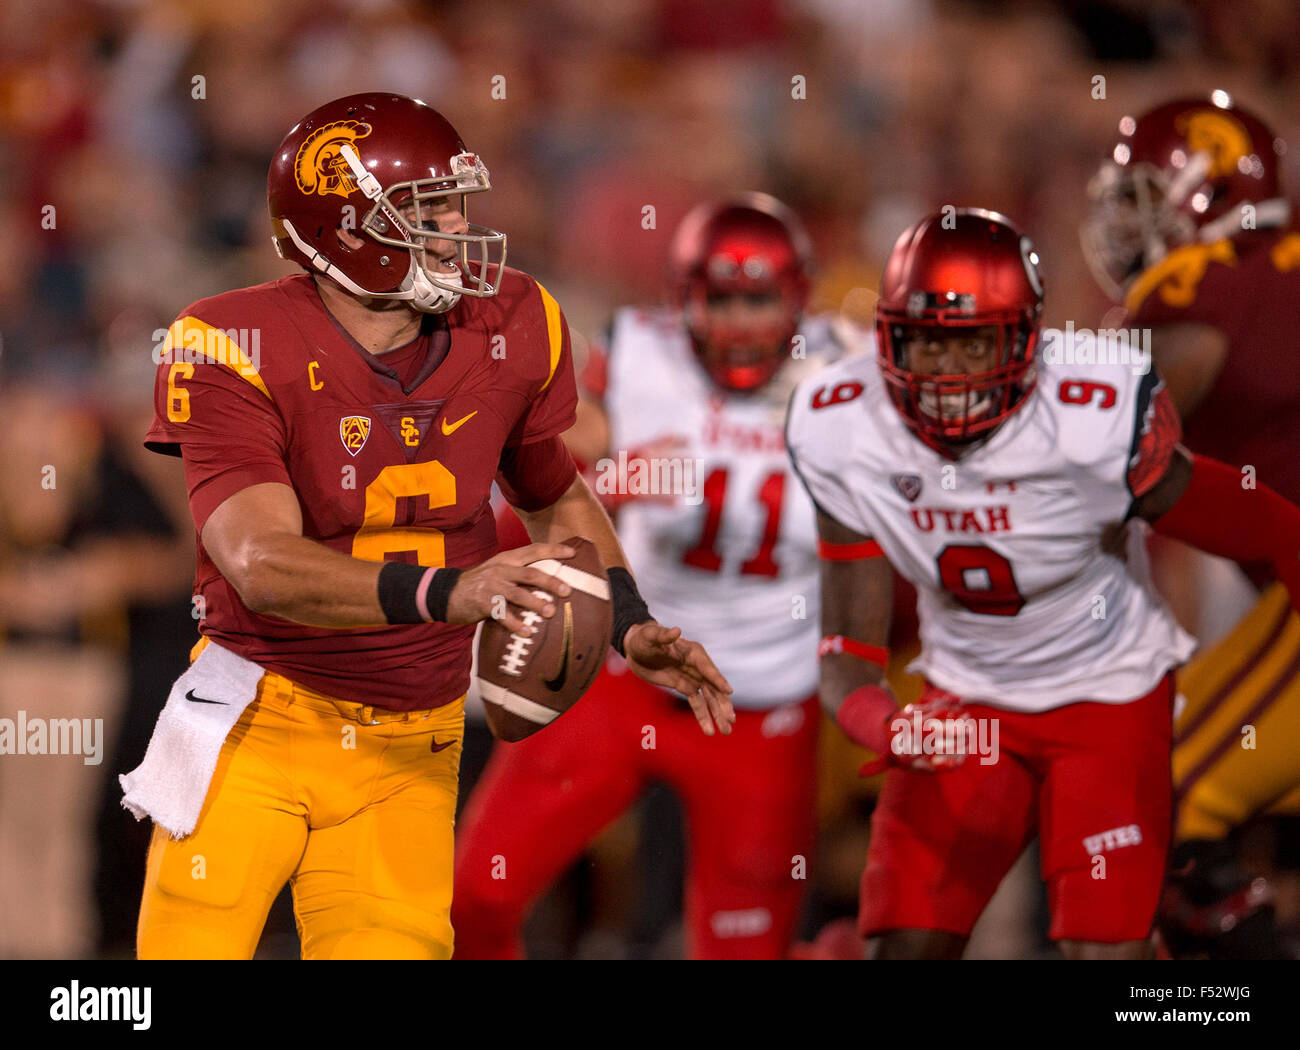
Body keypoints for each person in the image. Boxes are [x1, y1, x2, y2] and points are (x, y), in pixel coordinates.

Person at [124, 91, 733, 960]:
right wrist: (455, 592)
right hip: (258, 720)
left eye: (457, 203)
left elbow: (553, 493)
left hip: (413, 740)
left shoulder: (514, 321)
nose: (456, 228)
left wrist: (628, 622)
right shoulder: (229, 339)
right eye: (427, 209)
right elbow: (260, 562)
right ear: (343, 228)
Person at [785, 207, 1300, 959]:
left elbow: (1266, 527)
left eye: (972, 346)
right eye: (926, 343)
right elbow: (844, 652)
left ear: (1025, 340)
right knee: (904, 944)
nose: (946, 376)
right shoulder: (843, 425)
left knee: (1104, 955)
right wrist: (890, 725)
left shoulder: (1091, 415)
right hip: (965, 697)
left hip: (1107, 696)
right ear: (891, 337)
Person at [453, 194, 864, 958]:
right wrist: (610, 477)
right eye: (723, 300)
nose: (741, 322)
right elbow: (541, 478)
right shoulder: (638, 353)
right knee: (474, 895)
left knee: (743, 950)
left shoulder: (847, 376)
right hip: (619, 672)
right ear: (684, 300)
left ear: (799, 297)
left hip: (758, 702)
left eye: (760, 300)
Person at [1084, 92, 1300, 957]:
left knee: (1158, 796)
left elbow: (1095, 424)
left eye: (1141, 198)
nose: (1123, 227)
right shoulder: (1270, 278)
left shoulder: (1205, 287)